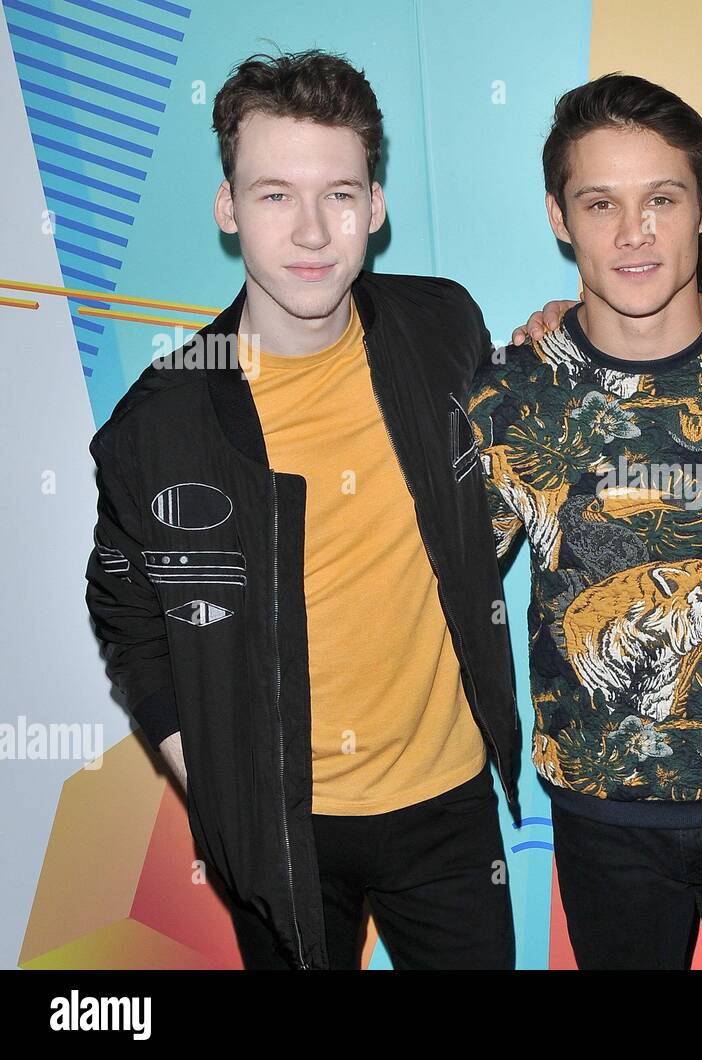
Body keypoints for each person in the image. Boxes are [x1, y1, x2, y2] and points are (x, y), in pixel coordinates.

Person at [84, 50, 518, 970]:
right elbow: (127, 611)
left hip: (447, 806)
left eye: (341, 194)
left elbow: (498, 482)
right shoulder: (160, 423)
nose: (313, 231)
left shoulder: (443, 327)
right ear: (227, 208)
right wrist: (213, 784)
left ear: (378, 206)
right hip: (281, 826)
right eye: (276, 194)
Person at [470, 73, 702, 969]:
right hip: (602, 818)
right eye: (601, 203)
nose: (633, 233)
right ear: (560, 216)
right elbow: (431, 582)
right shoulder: (515, 392)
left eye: (662, 199)